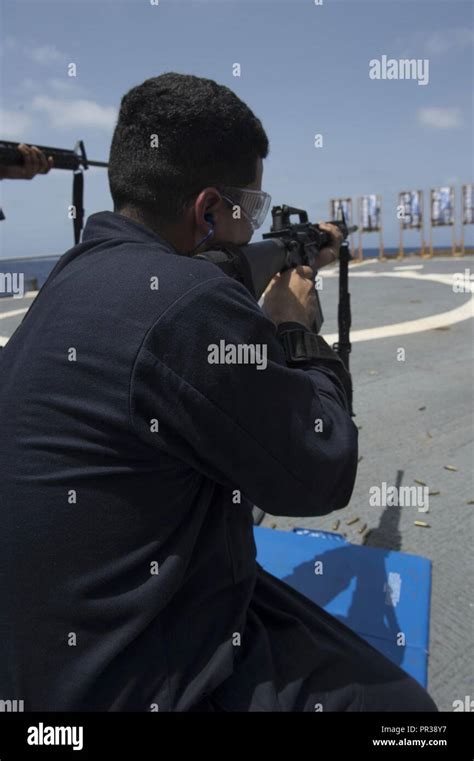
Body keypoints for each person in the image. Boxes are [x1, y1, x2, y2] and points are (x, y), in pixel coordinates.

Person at [0, 73, 437, 712]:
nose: (252, 224)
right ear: (208, 210)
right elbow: (322, 471)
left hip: (47, 651)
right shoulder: (188, 302)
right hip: (128, 679)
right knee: (409, 717)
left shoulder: (72, 275)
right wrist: (293, 329)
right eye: (250, 210)